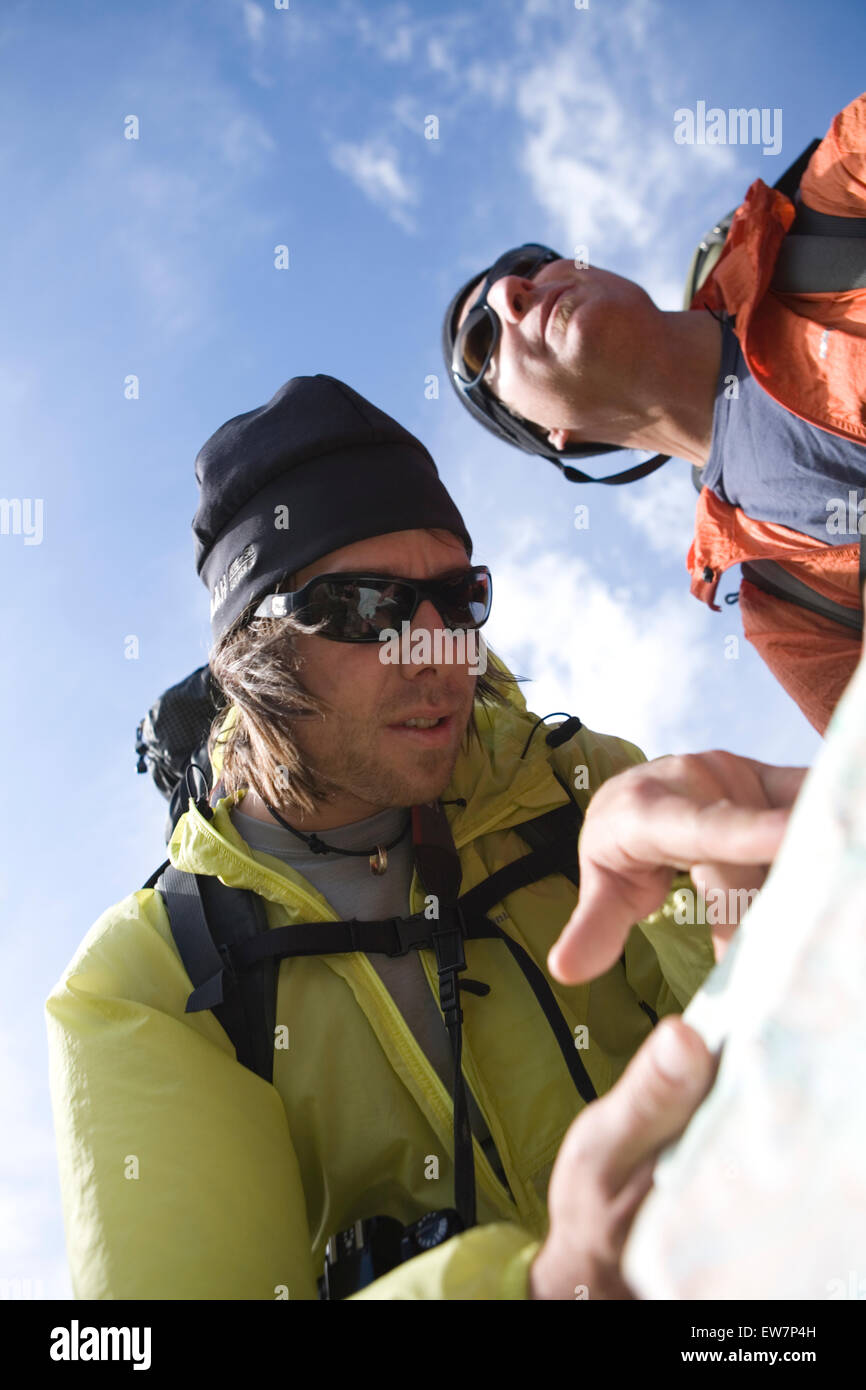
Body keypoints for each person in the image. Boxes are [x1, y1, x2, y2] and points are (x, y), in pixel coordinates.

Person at [46, 373, 724, 1301]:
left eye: (458, 597)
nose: (439, 650)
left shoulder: (578, 787)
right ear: (254, 650)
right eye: (371, 608)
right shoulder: (148, 983)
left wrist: (760, 905)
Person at [442, 92, 866, 737]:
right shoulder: (790, 611)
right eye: (481, 343)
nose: (509, 290)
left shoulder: (829, 210)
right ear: (553, 436)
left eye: (524, 264)